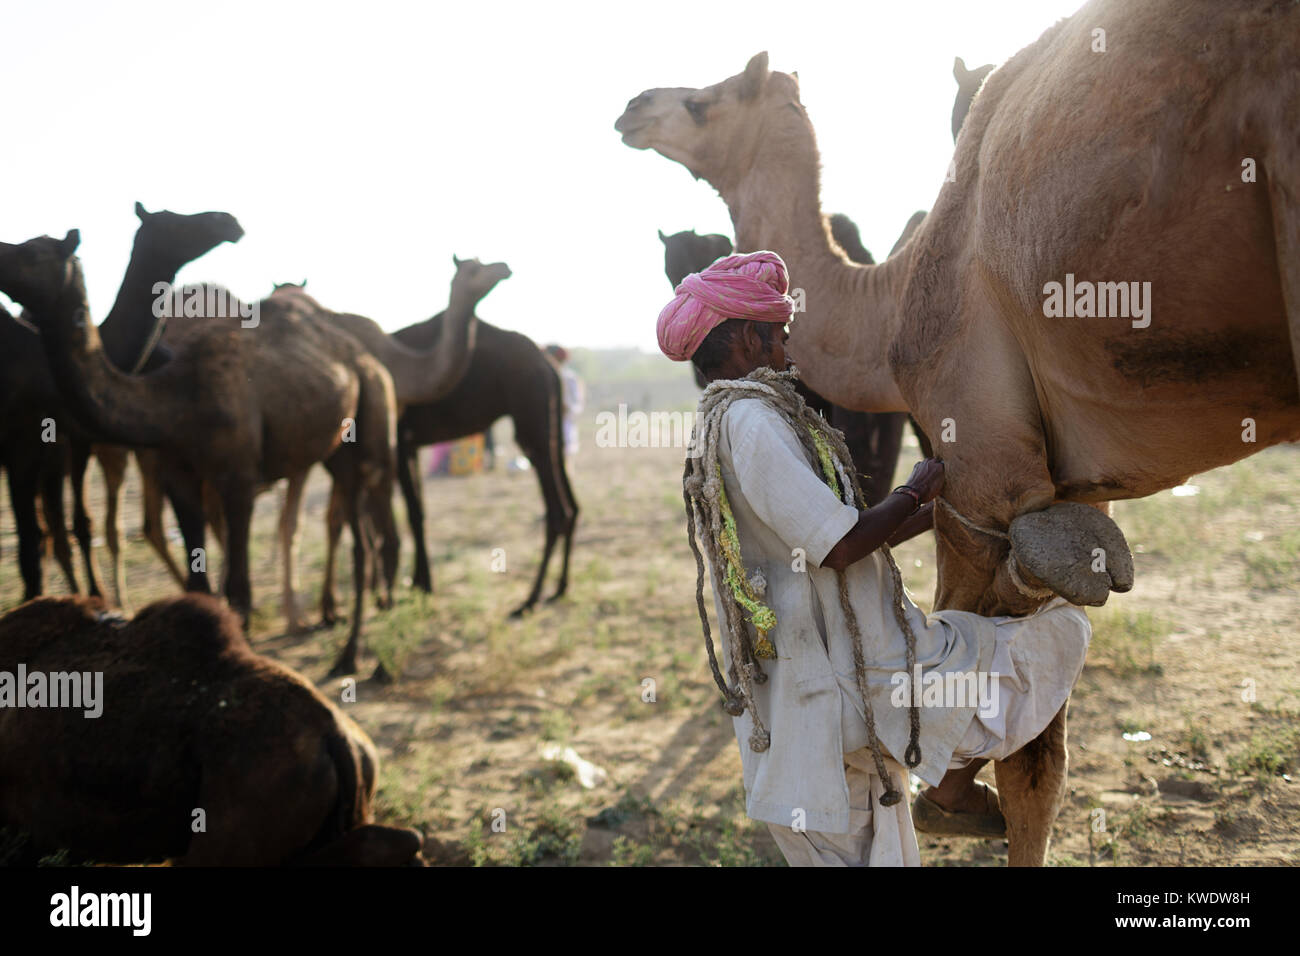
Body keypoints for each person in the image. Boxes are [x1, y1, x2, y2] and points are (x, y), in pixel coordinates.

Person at [658, 251, 1091, 866]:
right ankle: (948, 783)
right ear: (751, 337)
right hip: (837, 690)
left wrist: (944, 507)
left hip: (832, 693)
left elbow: (842, 536)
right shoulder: (751, 422)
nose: (788, 352)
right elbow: (838, 544)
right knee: (1037, 644)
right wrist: (914, 490)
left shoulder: (740, 420)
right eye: (779, 336)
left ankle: (948, 784)